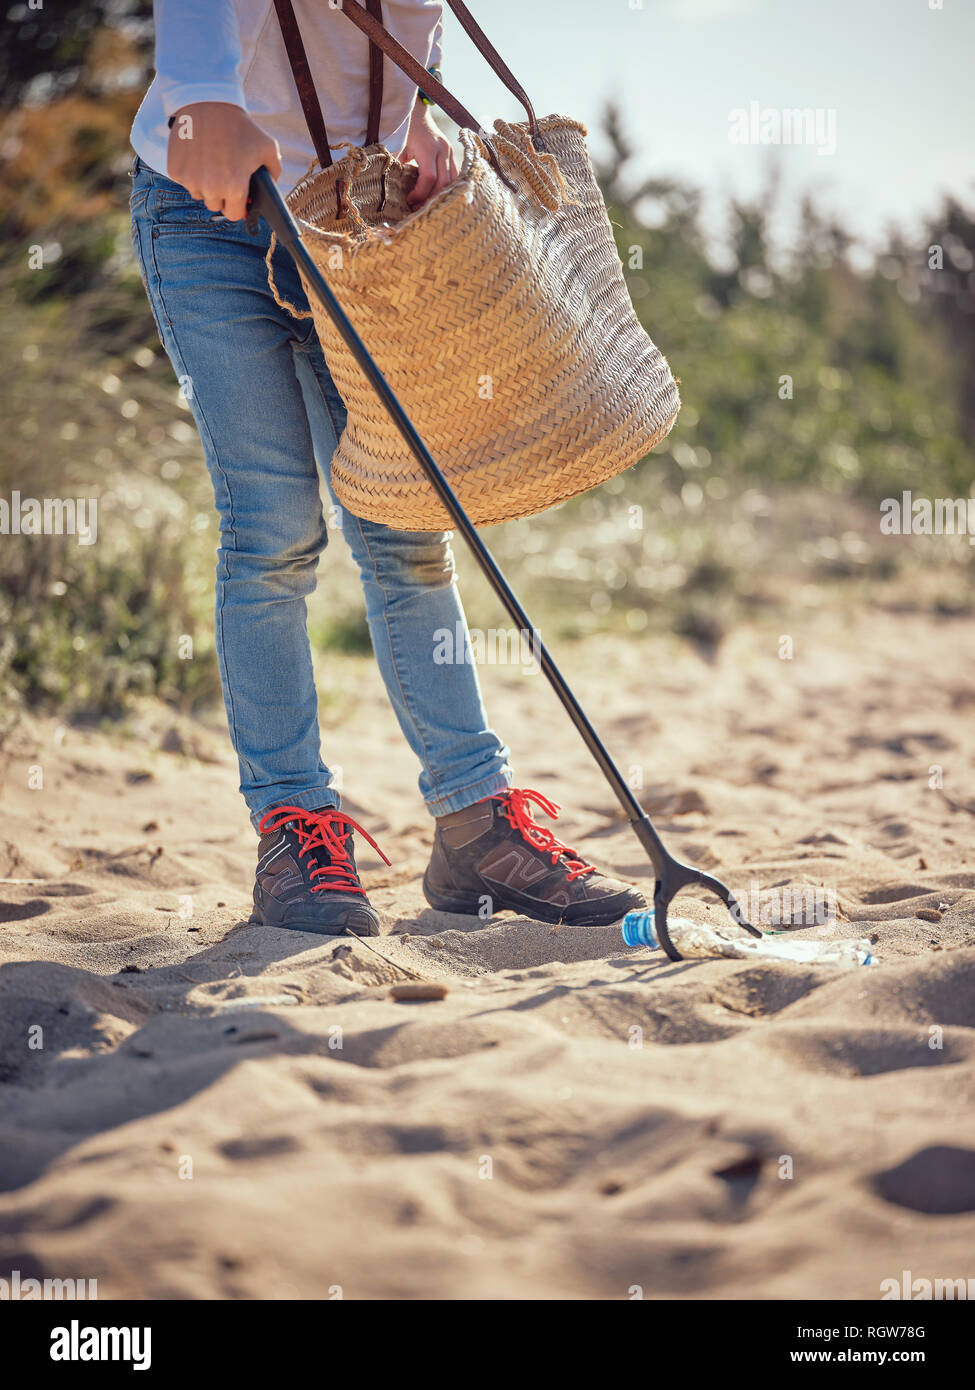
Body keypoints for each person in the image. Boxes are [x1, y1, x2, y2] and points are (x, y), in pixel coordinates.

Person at [129, 0, 646, 935]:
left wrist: (414, 114)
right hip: (211, 217)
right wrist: (201, 92)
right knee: (273, 530)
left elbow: (415, 27)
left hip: (358, 224)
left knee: (406, 527)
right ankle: (294, 827)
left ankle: (476, 828)